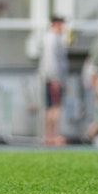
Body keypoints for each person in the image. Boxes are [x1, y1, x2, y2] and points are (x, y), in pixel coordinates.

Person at [40, 15, 69, 145]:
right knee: (54, 107)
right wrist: (55, 78)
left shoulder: (51, 37)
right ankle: (52, 135)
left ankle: (49, 135)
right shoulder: (52, 38)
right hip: (53, 77)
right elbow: (51, 60)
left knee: (50, 107)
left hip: (51, 77)